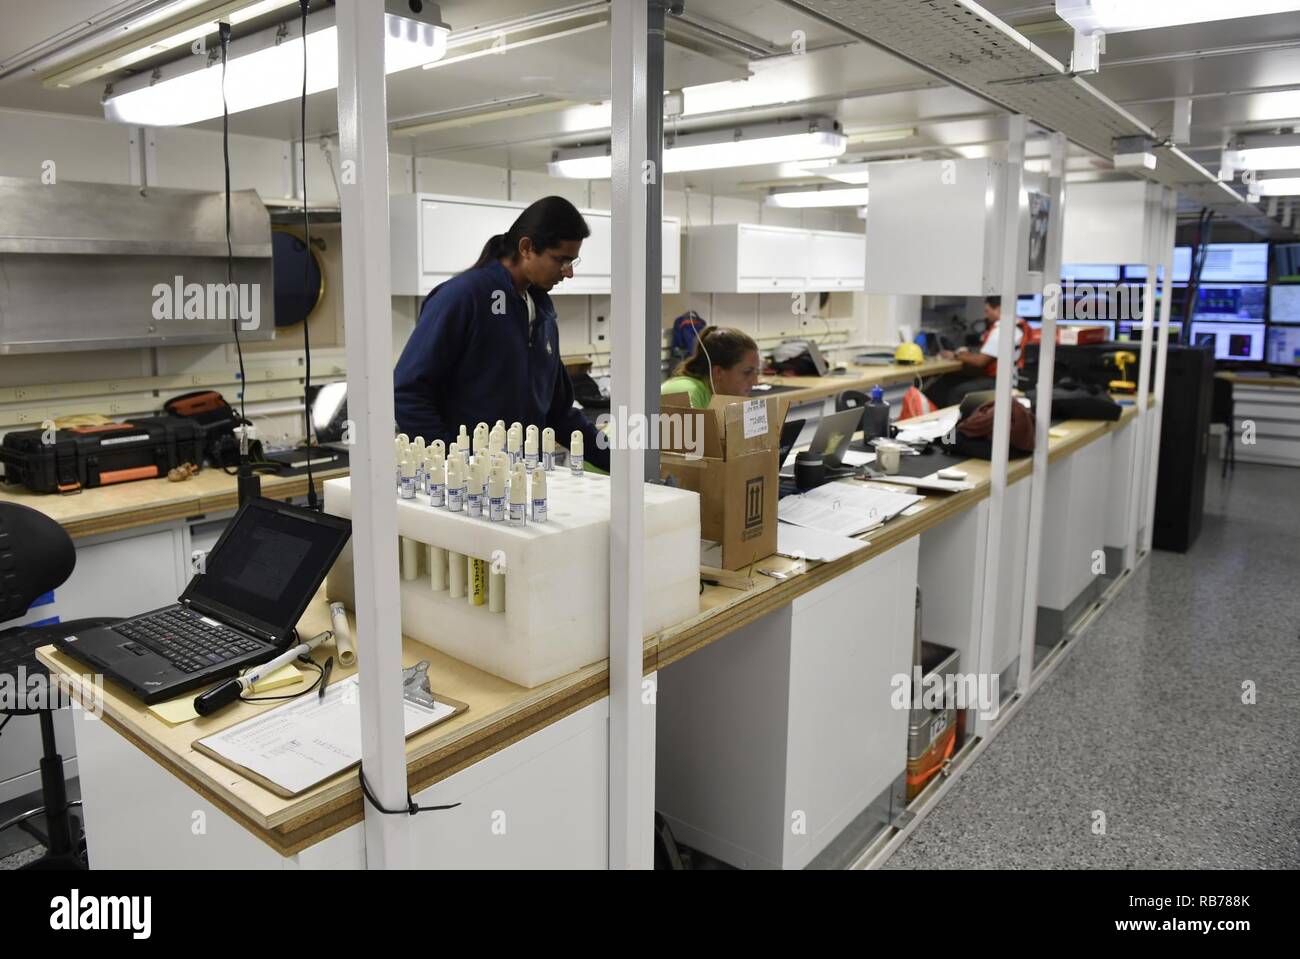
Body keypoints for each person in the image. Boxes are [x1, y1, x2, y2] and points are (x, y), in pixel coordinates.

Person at [394, 196, 608, 471]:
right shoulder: (464, 297)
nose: (568, 273)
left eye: (572, 262)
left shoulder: (542, 311)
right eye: (561, 260)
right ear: (527, 247)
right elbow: (407, 390)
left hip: (525, 479)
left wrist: (624, 465)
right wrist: (453, 465)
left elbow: (560, 412)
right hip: (470, 486)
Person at [925, 295, 1029, 408]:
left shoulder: (1001, 330)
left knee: (956, 391)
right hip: (1010, 379)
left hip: (997, 382)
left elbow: (980, 362)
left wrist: (954, 355)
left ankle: (955, 423)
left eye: (987, 311)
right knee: (949, 380)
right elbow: (988, 356)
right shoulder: (1016, 326)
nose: (986, 315)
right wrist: (965, 355)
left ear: (999, 309)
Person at [660, 326, 761, 408]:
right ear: (718, 372)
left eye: (756, 372)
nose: (755, 382)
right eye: (747, 372)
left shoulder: (718, 397)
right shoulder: (684, 392)